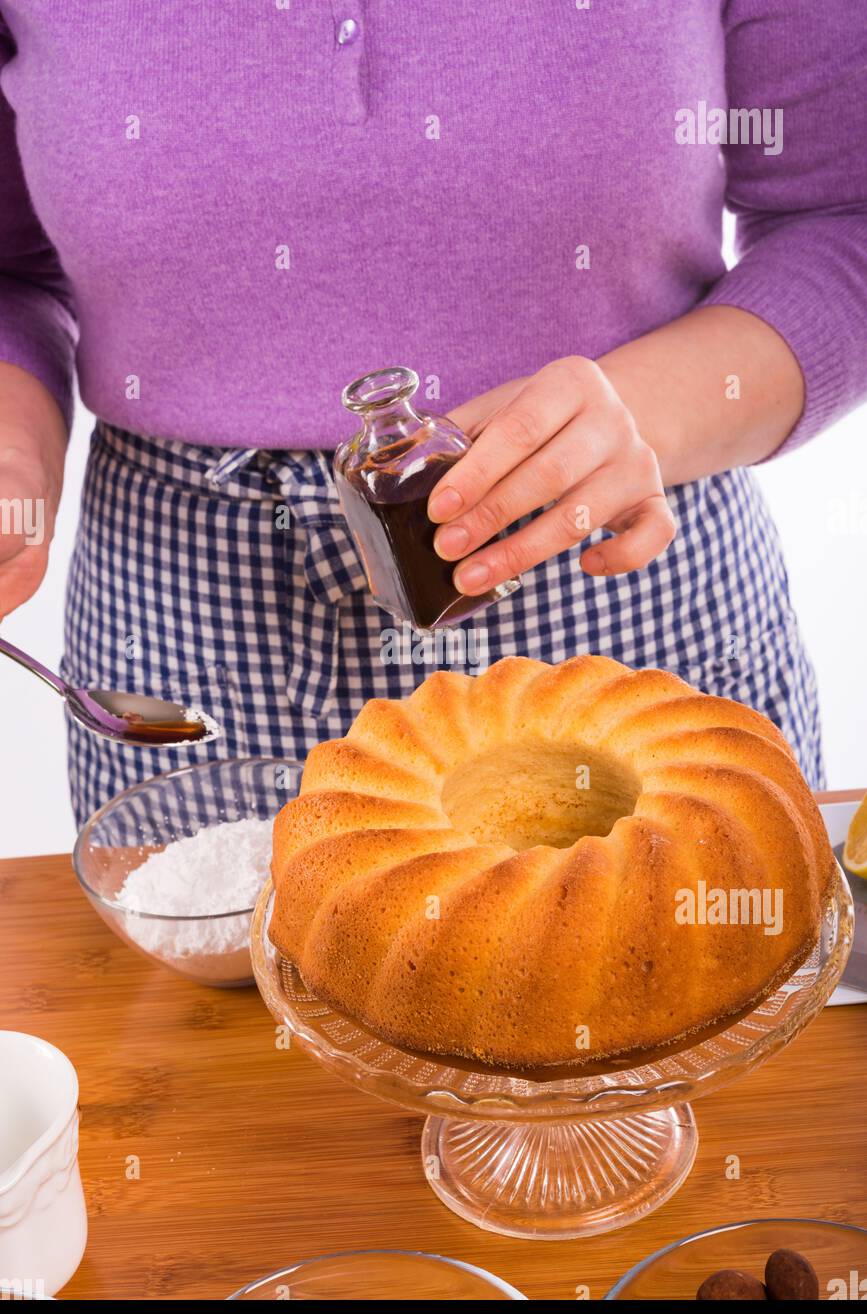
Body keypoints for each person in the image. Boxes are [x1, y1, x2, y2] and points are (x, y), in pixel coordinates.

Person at [0, 3, 865, 824]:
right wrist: (14, 449)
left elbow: (839, 218)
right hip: (182, 637)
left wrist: (634, 418)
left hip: (623, 587)